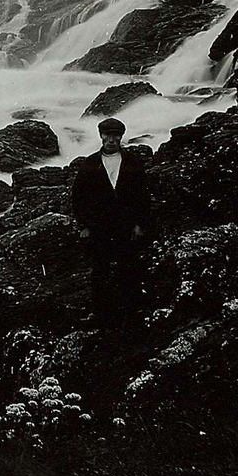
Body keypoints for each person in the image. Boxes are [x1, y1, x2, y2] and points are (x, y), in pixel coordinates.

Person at [71, 117, 152, 324]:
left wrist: (139, 224)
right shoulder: (90, 164)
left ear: (121, 137)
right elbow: (79, 198)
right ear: (101, 136)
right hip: (100, 227)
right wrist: (84, 226)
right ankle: (100, 313)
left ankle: (132, 311)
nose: (112, 139)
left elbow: (142, 196)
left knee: (129, 266)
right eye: (108, 135)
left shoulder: (133, 163)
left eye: (116, 135)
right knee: (101, 269)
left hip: (126, 225)